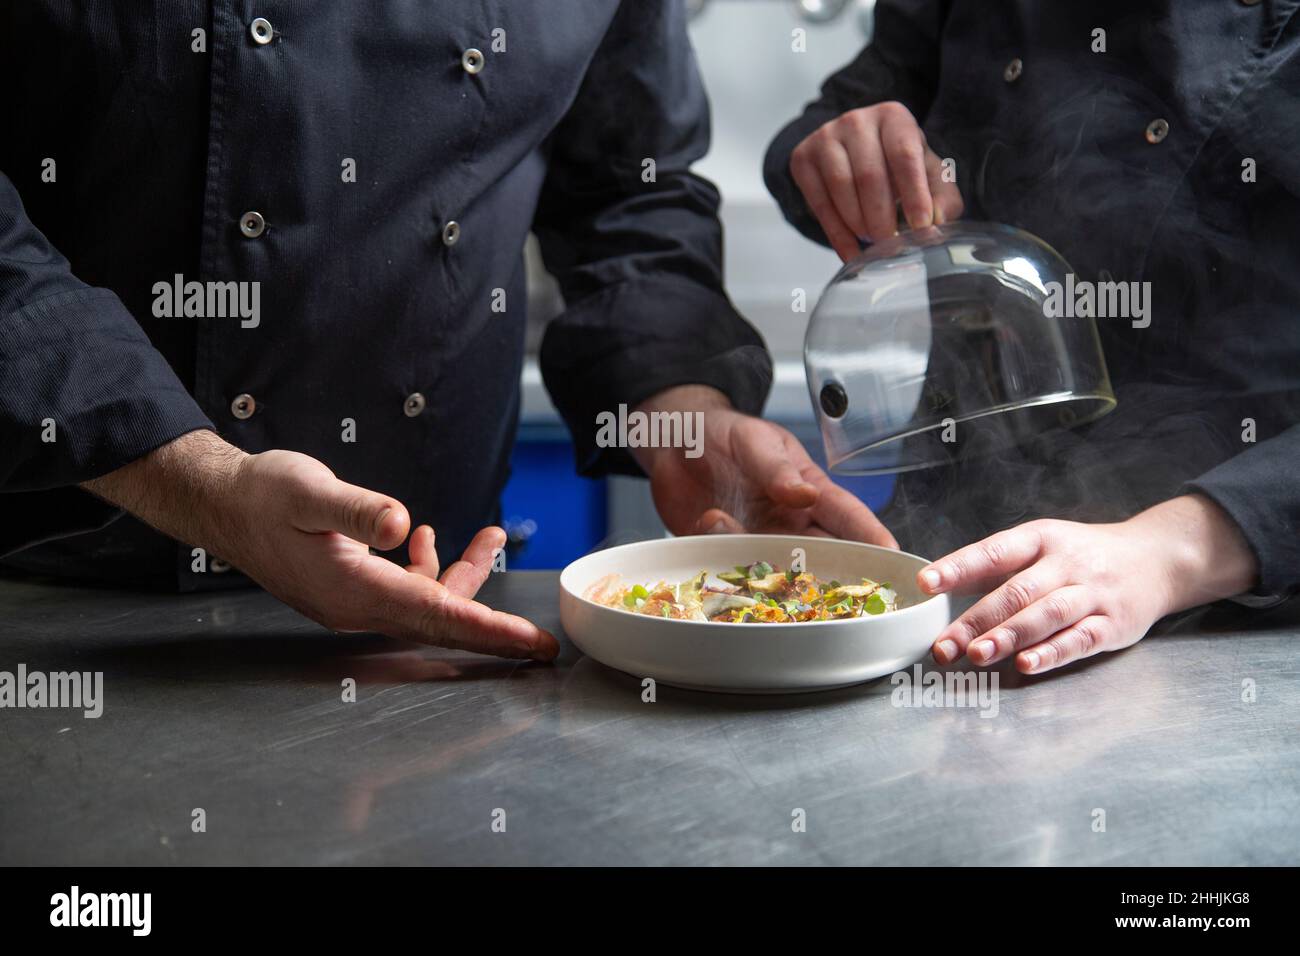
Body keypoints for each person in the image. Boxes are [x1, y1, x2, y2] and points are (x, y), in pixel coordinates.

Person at [0, 2, 894, 660]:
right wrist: (200, 483)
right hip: (50, 600)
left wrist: (682, 413)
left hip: (434, 619)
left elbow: (629, 190)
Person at [765, 0, 1300, 674]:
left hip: (1246, 620)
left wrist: (1177, 550)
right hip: (950, 573)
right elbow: (829, 126)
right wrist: (842, 154)